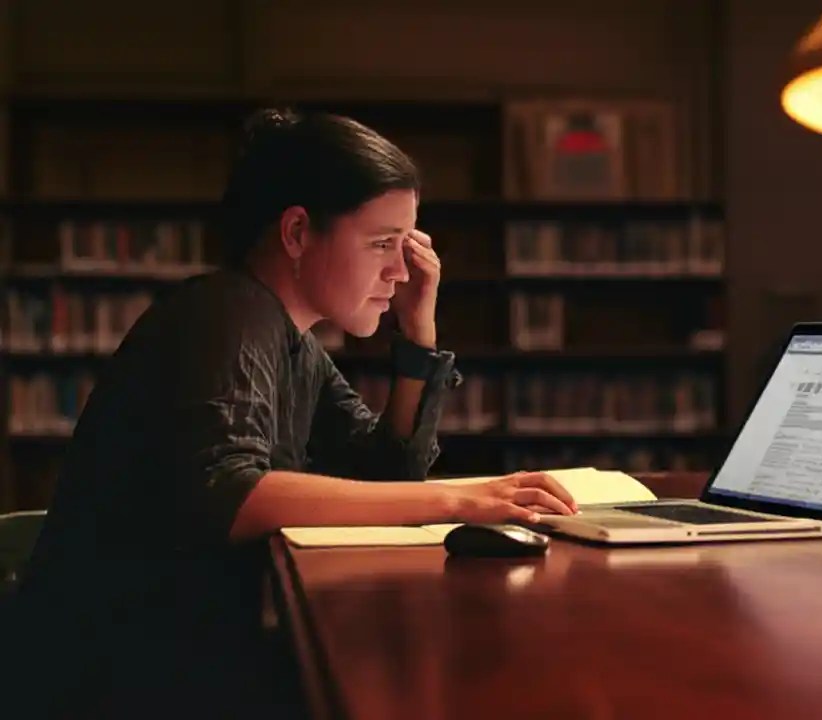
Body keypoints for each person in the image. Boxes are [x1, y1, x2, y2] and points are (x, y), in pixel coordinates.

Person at [0, 108, 578, 718]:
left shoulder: (291, 340)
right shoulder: (228, 314)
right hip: (111, 681)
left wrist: (418, 335)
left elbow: (386, 476)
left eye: (405, 247)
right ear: (297, 233)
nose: (401, 272)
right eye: (382, 244)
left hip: (179, 661)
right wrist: (460, 500)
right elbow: (229, 492)